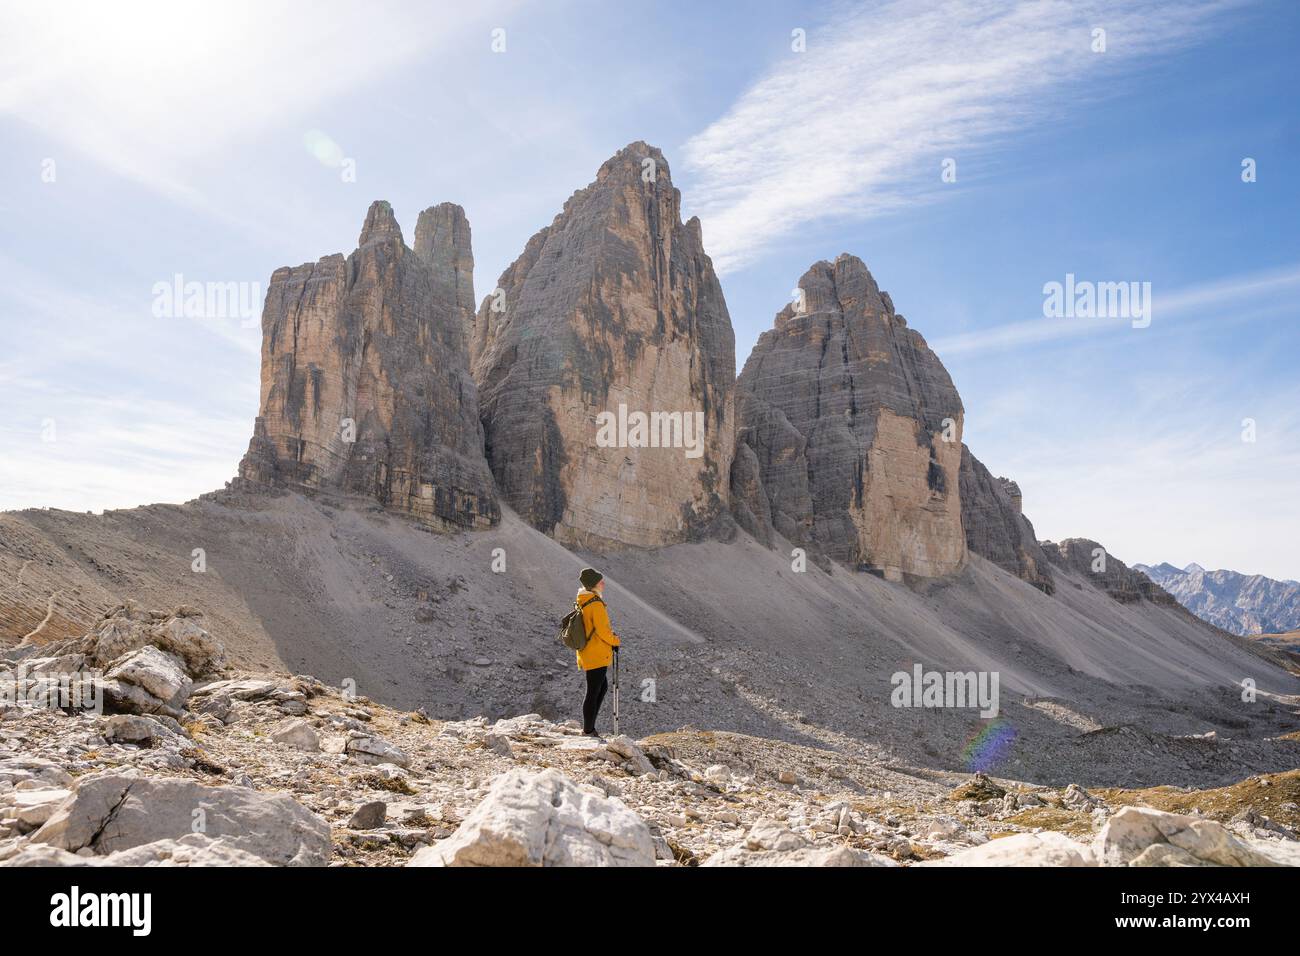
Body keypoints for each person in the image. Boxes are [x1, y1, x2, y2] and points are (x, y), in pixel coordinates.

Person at [575, 567, 620, 736]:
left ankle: (590, 727)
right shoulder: (595, 603)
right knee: (594, 690)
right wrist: (615, 640)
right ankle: (588, 730)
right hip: (596, 652)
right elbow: (602, 630)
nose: (603, 583)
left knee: (600, 687)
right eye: (600, 581)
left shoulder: (583, 600)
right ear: (593, 584)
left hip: (589, 651)